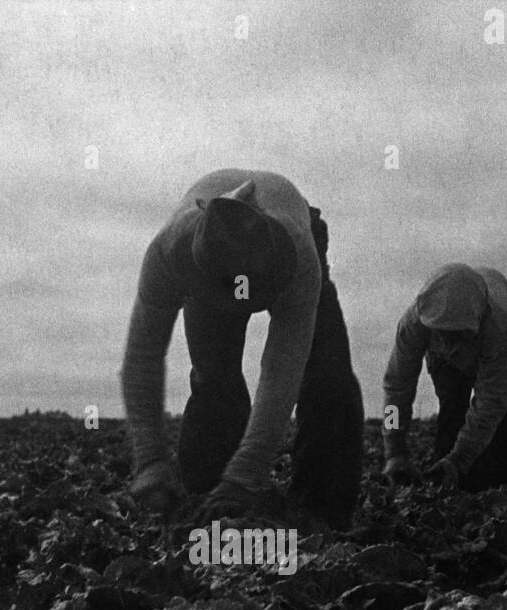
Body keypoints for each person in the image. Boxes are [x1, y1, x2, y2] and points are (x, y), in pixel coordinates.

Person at [119, 170, 364, 529]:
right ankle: (207, 504)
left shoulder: (298, 258)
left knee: (329, 376)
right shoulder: (169, 254)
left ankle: (320, 514)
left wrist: (246, 472)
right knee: (214, 379)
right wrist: (150, 459)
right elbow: (143, 356)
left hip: (290, 238)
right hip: (210, 258)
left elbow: (283, 368)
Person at [381, 263, 507, 490]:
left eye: (456, 335)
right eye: (442, 333)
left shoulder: (503, 329)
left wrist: (460, 459)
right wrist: (394, 451)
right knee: (451, 410)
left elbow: (490, 404)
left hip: (499, 343)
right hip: (444, 360)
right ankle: (445, 480)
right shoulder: (413, 323)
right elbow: (396, 390)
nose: (449, 344)